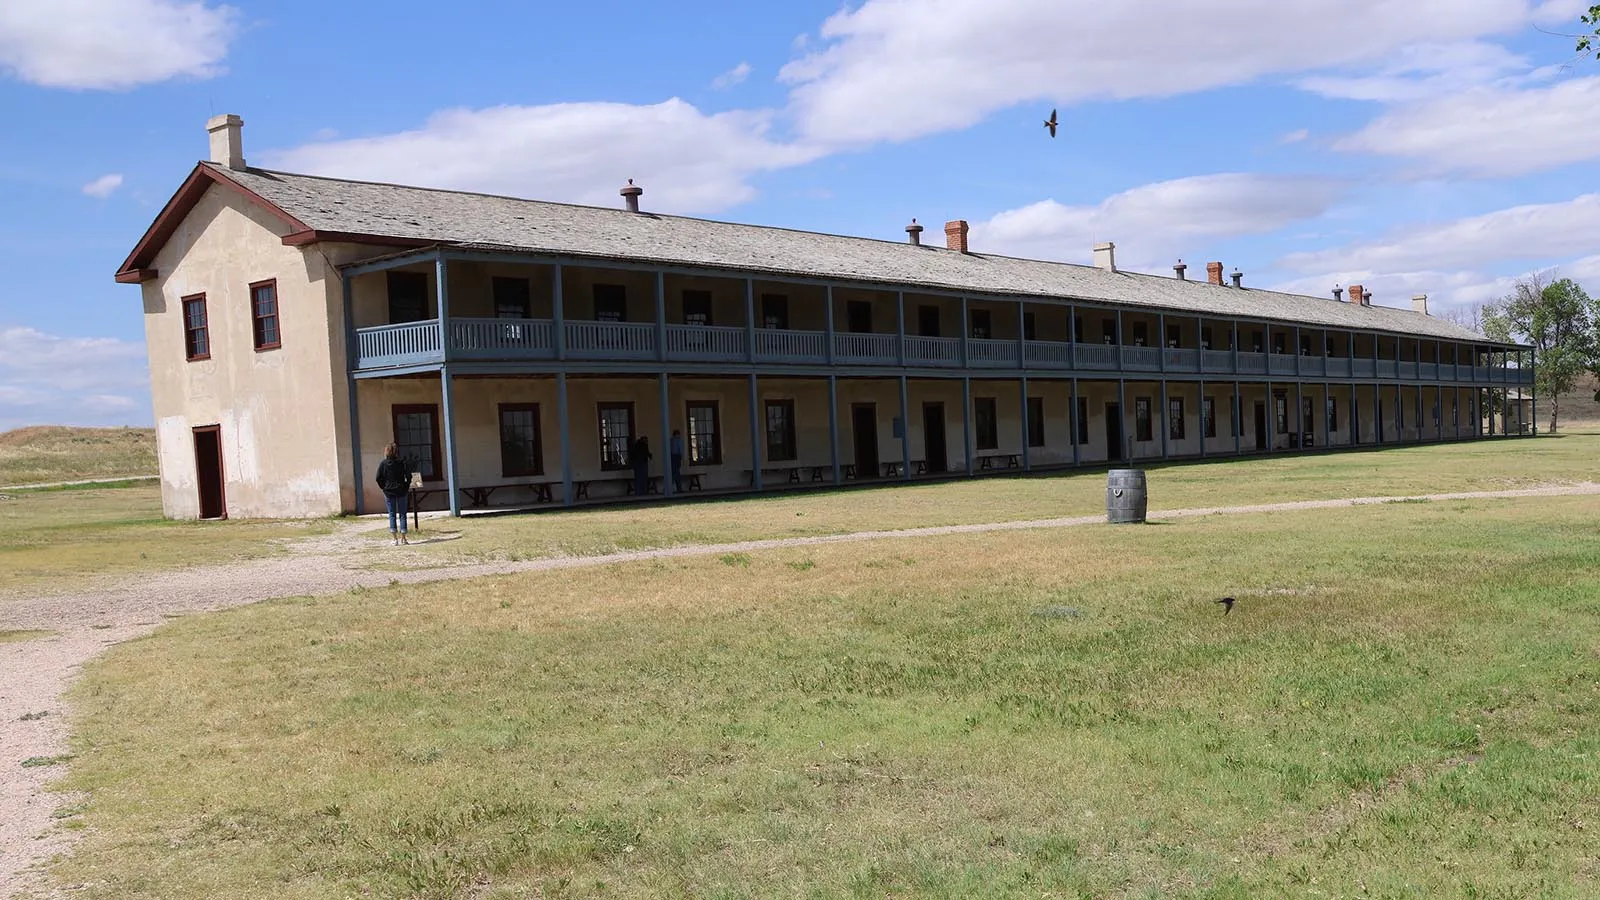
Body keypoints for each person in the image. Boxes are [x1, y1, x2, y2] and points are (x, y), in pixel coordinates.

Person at [375, 443, 412, 545]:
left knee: (392, 514)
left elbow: (378, 478)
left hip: (389, 491)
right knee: (402, 514)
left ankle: (394, 539)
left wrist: (384, 487)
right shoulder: (401, 463)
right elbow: (409, 475)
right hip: (401, 490)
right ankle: (404, 538)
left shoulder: (383, 464)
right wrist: (406, 485)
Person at [669, 428, 685, 493]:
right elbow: (680, 449)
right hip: (676, 457)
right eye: (678, 434)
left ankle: (674, 487)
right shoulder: (679, 441)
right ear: (677, 434)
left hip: (671, 457)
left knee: (674, 472)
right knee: (676, 472)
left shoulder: (670, 440)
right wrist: (682, 456)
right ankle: (678, 488)